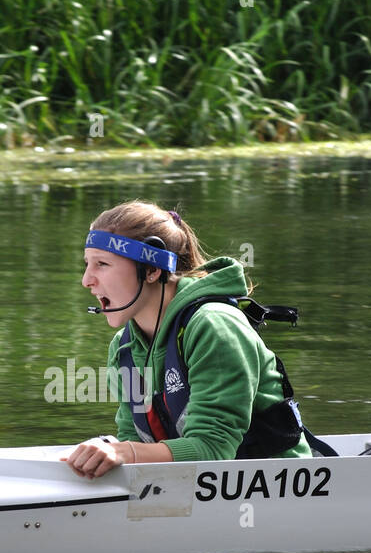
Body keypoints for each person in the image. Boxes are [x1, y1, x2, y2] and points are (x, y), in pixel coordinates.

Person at [64, 200, 316, 479]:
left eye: (102, 264)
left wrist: (125, 453)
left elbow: (213, 449)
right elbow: (131, 438)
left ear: (151, 270)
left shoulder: (215, 326)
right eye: (87, 264)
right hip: (194, 489)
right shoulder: (124, 347)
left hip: (275, 486)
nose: (87, 280)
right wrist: (113, 451)